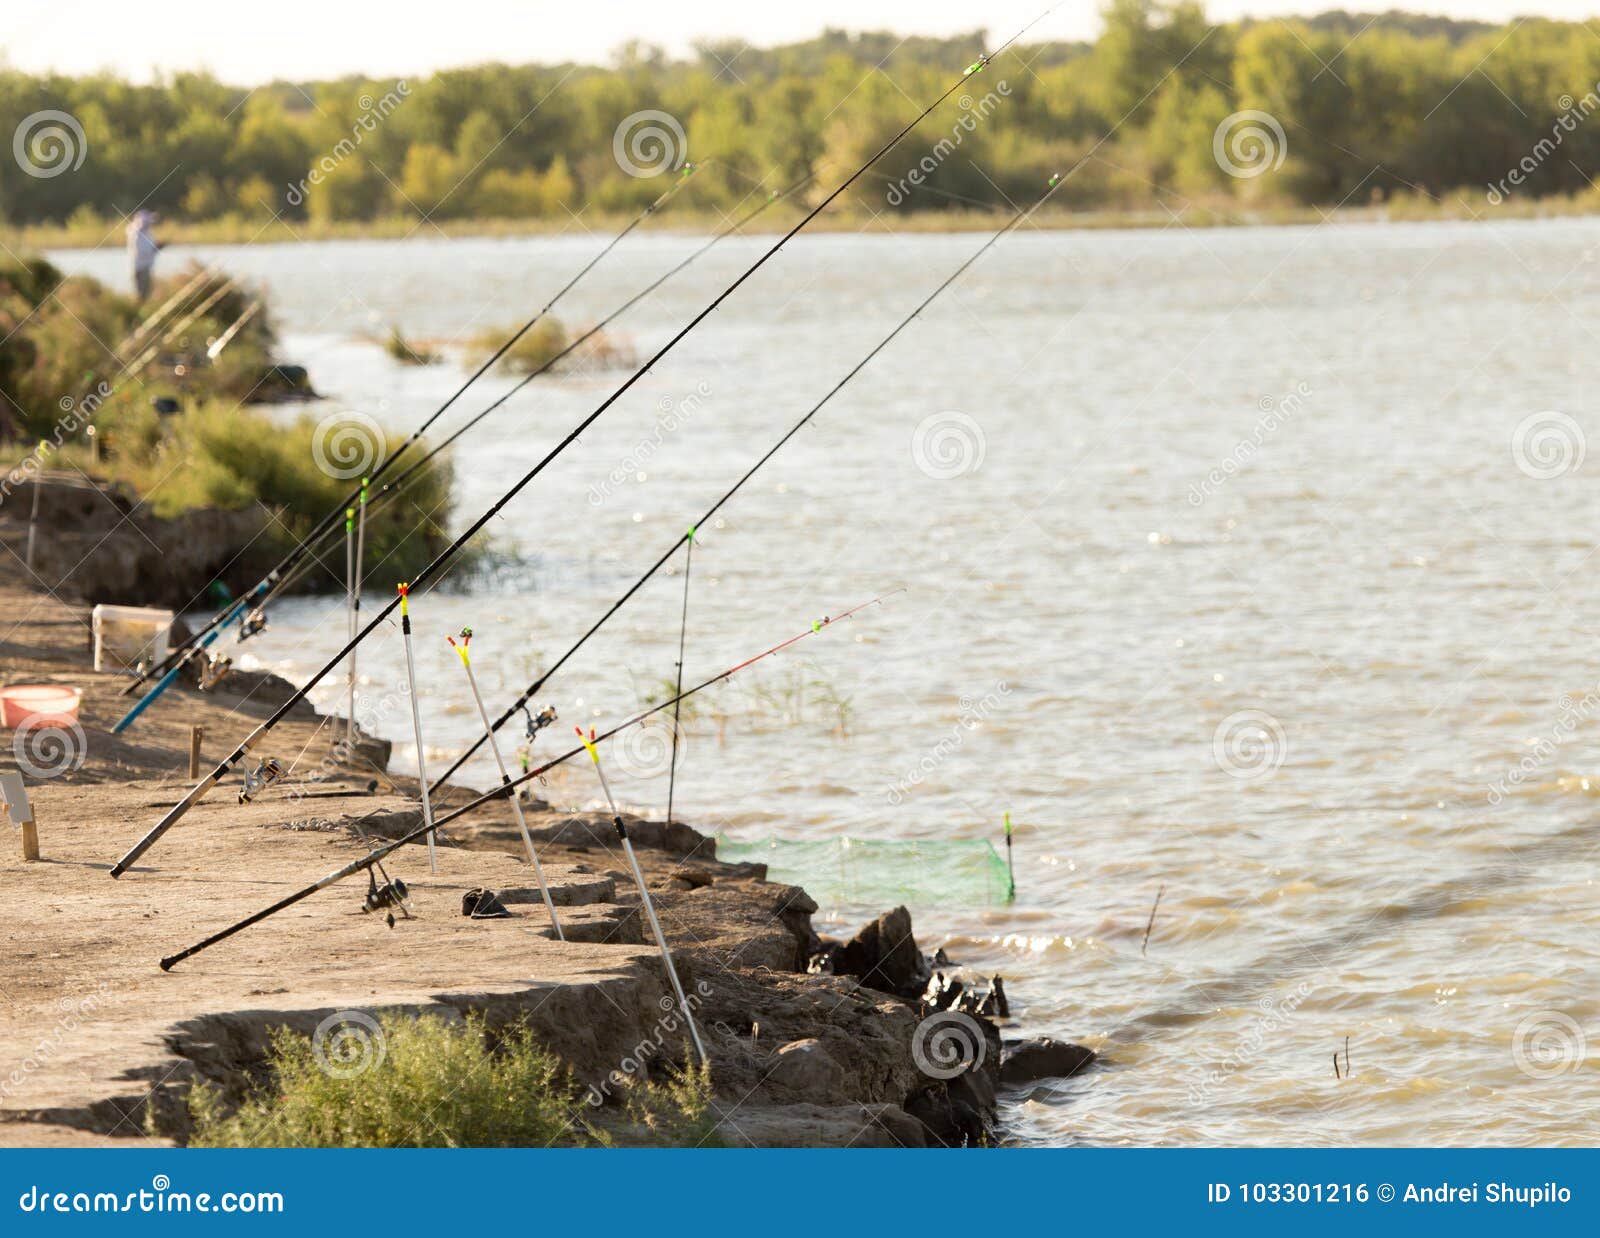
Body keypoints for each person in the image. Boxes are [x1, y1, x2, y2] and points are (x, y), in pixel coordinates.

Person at [126, 211, 161, 302]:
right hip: (140, 268)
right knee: (141, 295)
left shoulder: (147, 233)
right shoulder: (136, 234)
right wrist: (155, 249)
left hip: (145, 267)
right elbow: (140, 252)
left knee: (146, 294)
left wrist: (157, 248)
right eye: (147, 221)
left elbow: (150, 249)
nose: (150, 224)